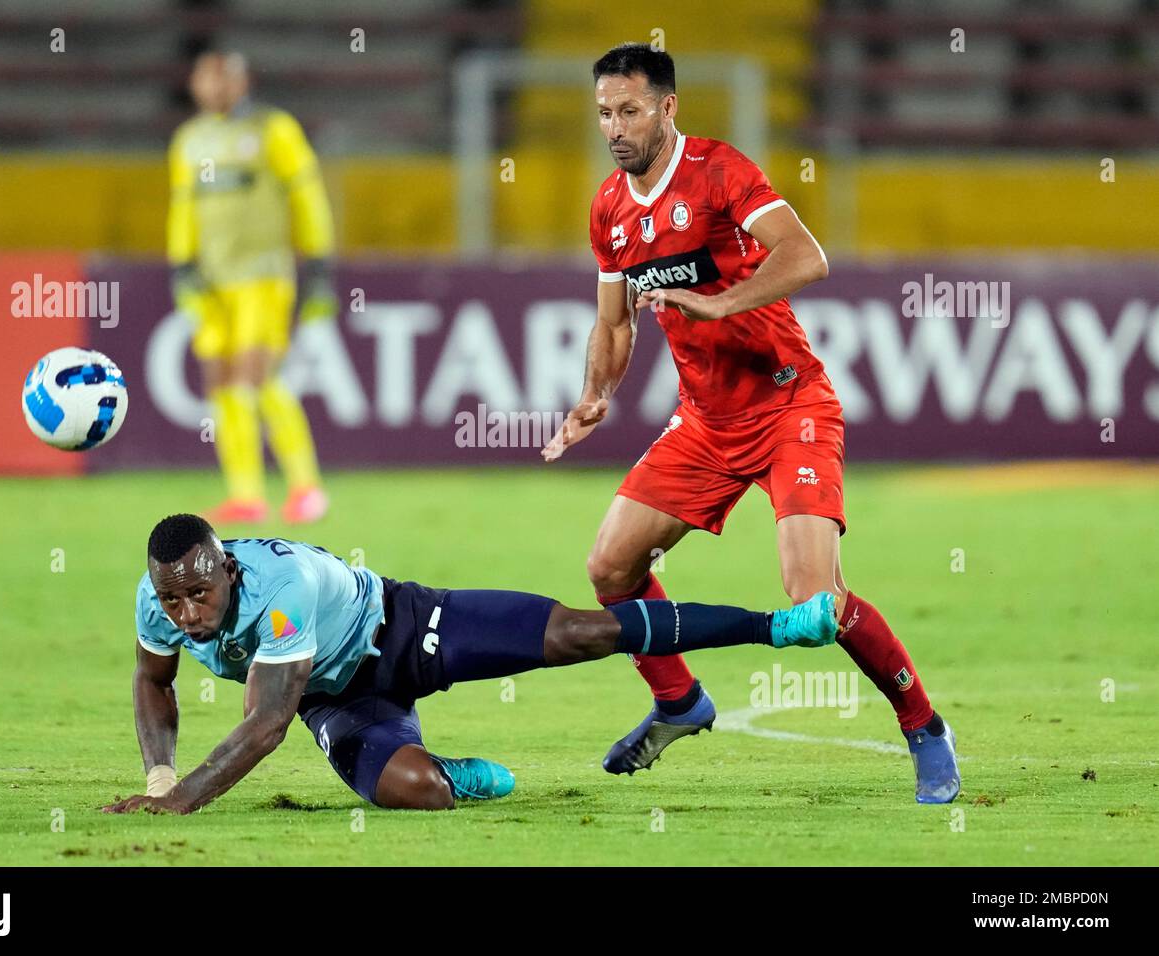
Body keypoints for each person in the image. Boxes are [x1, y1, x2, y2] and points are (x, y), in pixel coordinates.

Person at [540, 43, 960, 803]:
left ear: (667, 108)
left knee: (813, 607)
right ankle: (678, 702)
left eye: (630, 110)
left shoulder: (718, 171)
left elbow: (807, 256)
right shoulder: (609, 206)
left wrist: (722, 301)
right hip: (704, 422)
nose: (615, 126)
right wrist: (594, 394)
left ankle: (923, 724)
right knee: (609, 567)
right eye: (605, 112)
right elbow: (615, 322)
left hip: (788, 405)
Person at [101, 513, 838, 814]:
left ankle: (776, 627)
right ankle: (455, 770)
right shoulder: (153, 597)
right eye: (174, 601)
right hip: (338, 698)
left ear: (227, 569)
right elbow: (151, 680)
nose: (188, 614)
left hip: (406, 626)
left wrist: (180, 802)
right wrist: (160, 775)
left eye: (200, 594)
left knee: (582, 633)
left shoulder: (282, 592)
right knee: (419, 793)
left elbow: (264, 726)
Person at [167, 51, 336, 525]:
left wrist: (319, 260)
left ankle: (306, 487)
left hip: (263, 275)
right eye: (206, 77)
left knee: (257, 379)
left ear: (243, 83)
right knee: (220, 383)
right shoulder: (188, 140)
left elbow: (307, 192)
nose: (215, 86)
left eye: (225, 78)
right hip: (212, 280)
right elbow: (183, 205)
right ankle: (245, 494)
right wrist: (181, 262)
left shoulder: (273, 130)